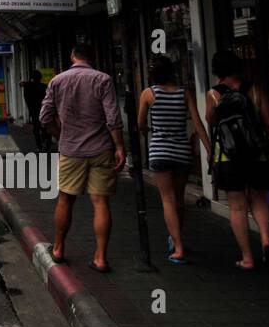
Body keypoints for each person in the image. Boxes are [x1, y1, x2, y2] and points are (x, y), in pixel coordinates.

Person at [204, 50, 269, 270]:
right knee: (259, 199)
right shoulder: (255, 90)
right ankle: (266, 241)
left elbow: (211, 121)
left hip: (228, 157)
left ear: (217, 70)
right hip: (257, 155)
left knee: (237, 206)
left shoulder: (214, 95)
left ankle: (247, 257)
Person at [40, 45, 125, 273]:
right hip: (101, 149)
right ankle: (100, 258)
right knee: (100, 202)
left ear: (72, 56)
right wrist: (119, 146)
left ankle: (58, 249)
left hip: (70, 151)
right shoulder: (103, 80)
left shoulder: (57, 81)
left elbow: (44, 117)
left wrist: (61, 136)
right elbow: (113, 118)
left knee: (65, 200)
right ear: (92, 57)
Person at [137, 55, 211, 265]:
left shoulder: (148, 94)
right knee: (179, 199)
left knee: (167, 200)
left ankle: (177, 247)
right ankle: (177, 238)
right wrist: (210, 151)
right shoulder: (185, 93)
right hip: (181, 152)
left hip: (160, 151)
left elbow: (140, 124)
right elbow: (197, 124)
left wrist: (148, 132)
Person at [19, 71, 50, 152]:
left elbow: (27, 100)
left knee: (36, 129)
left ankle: (39, 146)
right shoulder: (44, 86)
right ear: (40, 78)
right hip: (44, 110)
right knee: (45, 127)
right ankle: (46, 141)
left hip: (34, 111)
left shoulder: (27, 87)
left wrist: (30, 109)